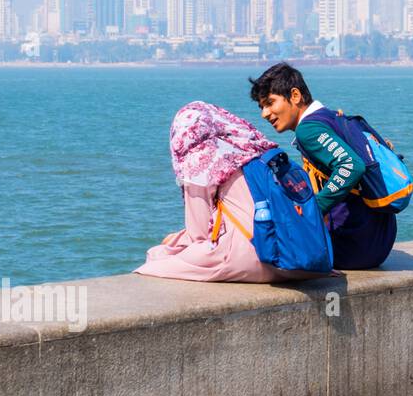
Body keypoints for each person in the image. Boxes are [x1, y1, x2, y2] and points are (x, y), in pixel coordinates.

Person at [137, 102, 324, 283]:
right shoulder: (254, 148)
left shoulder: (199, 160)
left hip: (258, 260)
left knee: (158, 257)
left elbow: (199, 234)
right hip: (302, 259)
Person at [249, 62, 397, 268]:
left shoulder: (308, 130)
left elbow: (351, 166)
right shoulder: (332, 117)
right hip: (380, 242)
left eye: (270, 103)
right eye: (261, 106)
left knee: (264, 245)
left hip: (352, 246)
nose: (264, 114)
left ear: (295, 96)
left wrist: (314, 209)